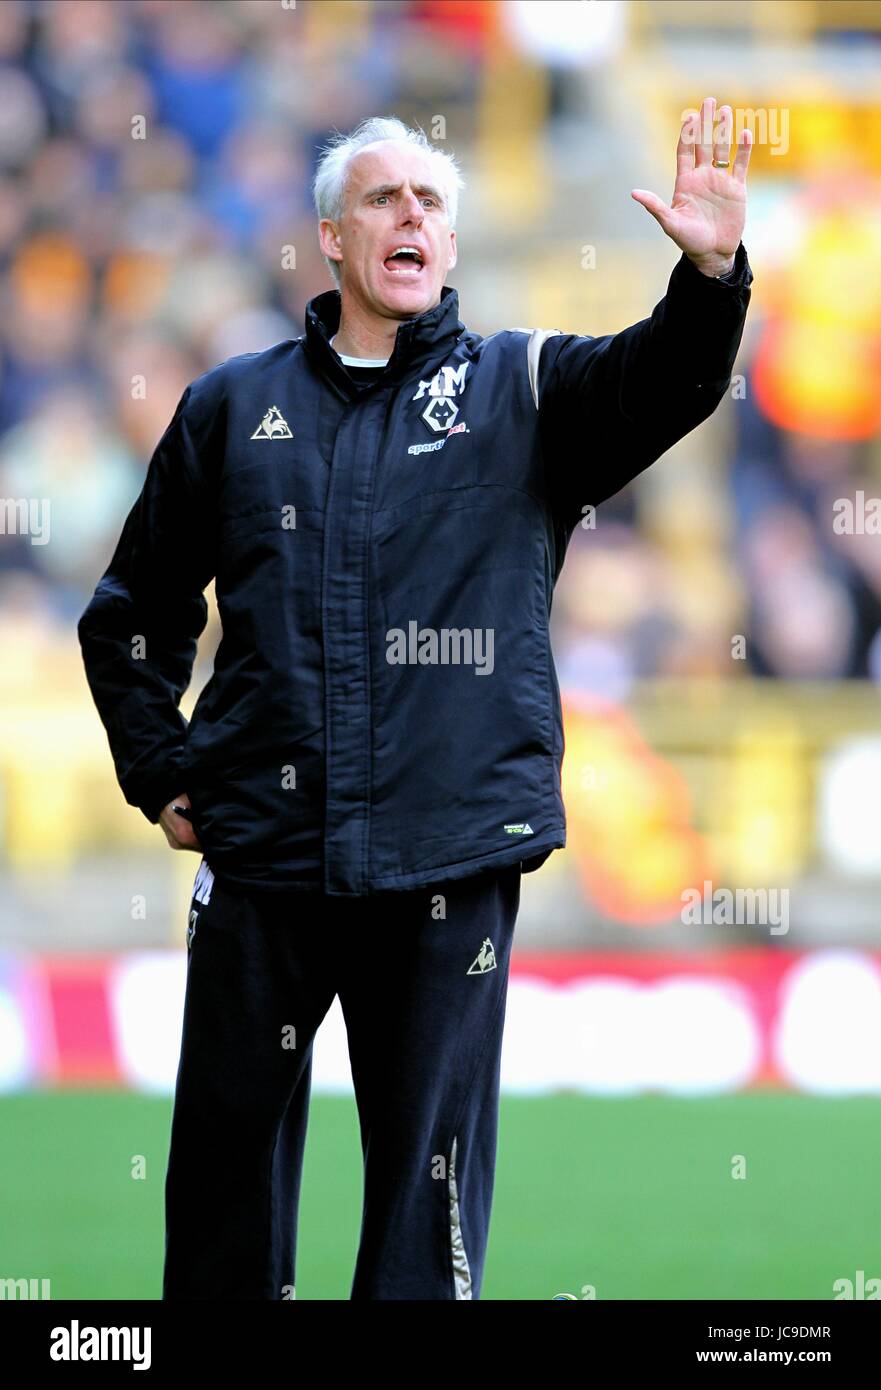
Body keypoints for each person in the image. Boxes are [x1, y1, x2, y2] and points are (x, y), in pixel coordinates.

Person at [78, 99, 753, 1300]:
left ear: (448, 245)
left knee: (424, 1202)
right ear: (332, 235)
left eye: (432, 202)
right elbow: (131, 615)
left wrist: (705, 284)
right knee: (222, 1195)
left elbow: (660, 384)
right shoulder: (232, 407)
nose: (412, 217)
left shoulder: (523, 391)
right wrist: (161, 765)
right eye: (385, 198)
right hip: (263, 854)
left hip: (446, 857)